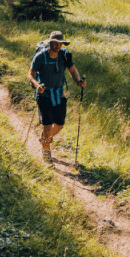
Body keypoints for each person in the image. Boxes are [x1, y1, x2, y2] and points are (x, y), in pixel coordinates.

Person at [28, 30, 86, 165]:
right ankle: (47, 154)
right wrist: (37, 86)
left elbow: (72, 70)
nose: (58, 46)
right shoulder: (40, 57)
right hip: (44, 95)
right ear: (50, 43)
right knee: (47, 126)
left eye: (61, 43)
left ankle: (44, 140)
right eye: (56, 43)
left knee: (59, 125)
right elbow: (30, 75)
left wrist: (78, 81)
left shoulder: (65, 55)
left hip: (59, 94)